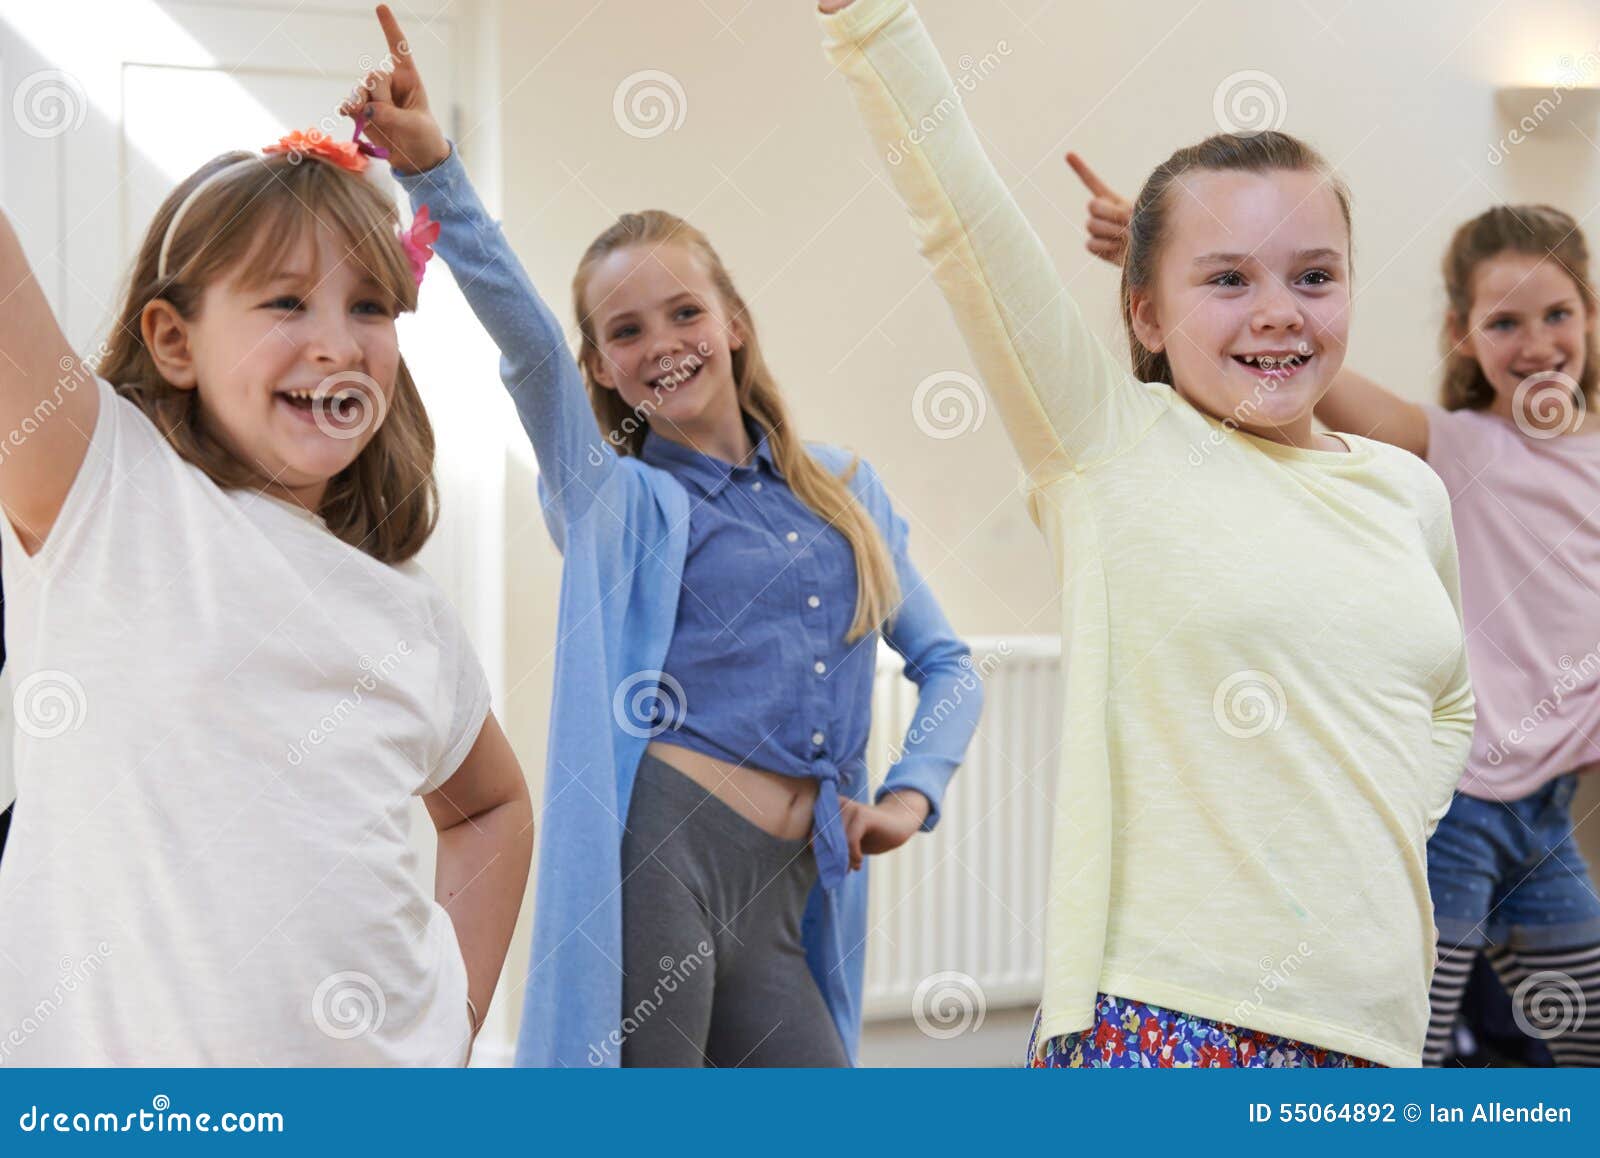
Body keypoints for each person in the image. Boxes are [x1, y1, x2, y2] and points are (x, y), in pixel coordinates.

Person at [819, 0, 1473, 1067]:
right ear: (1145, 313)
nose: (1279, 311)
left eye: (1313, 275)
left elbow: (1449, 697)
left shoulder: (1408, 493)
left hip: (1378, 1032)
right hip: (1167, 1021)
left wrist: (1395, 805)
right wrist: (870, 20)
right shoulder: (1108, 445)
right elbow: (962, 221)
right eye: (1227, 279)